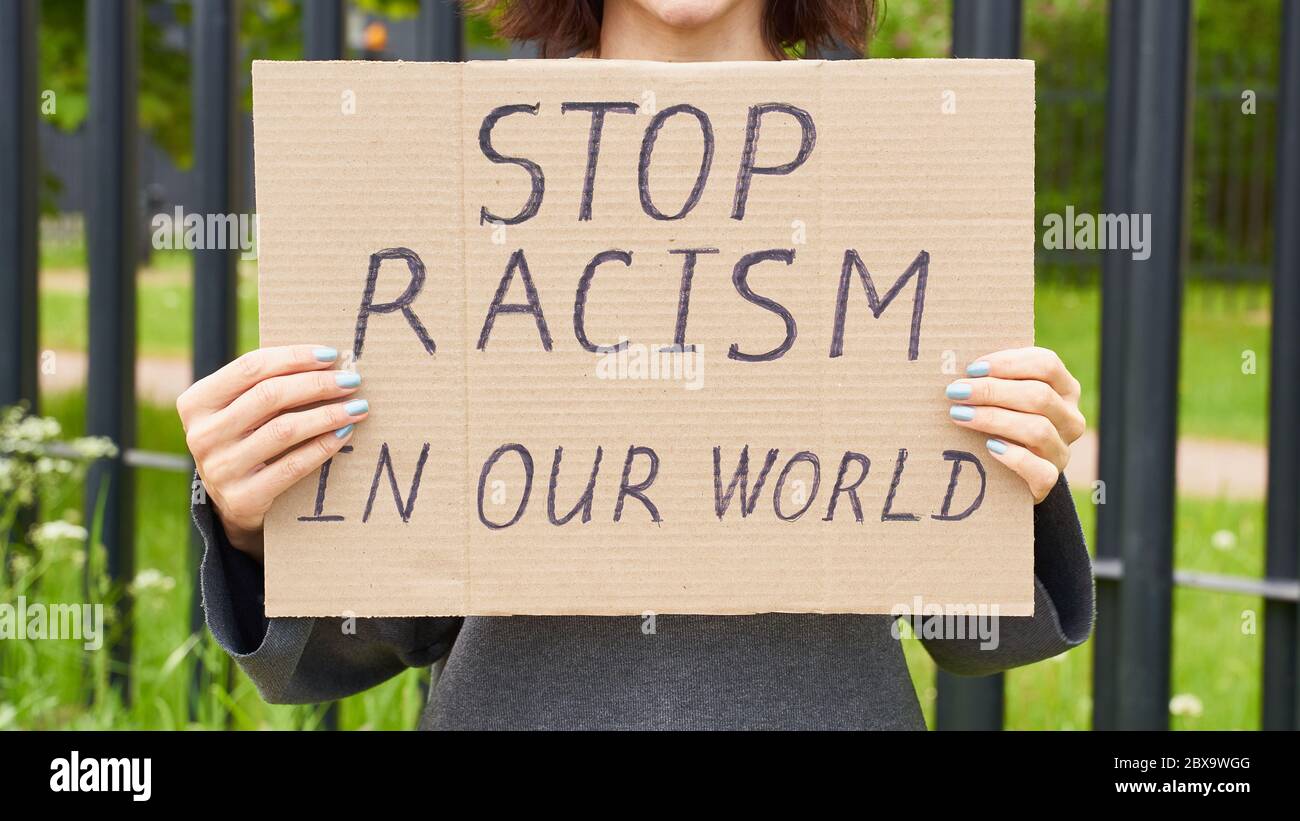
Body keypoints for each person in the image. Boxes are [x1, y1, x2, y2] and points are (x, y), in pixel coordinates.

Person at [178, 0, 1093, 730]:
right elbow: (375, 634)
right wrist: (262, 523)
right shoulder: (438, 161)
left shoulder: (907, 164)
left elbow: (975, 636)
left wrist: (1021, 471)